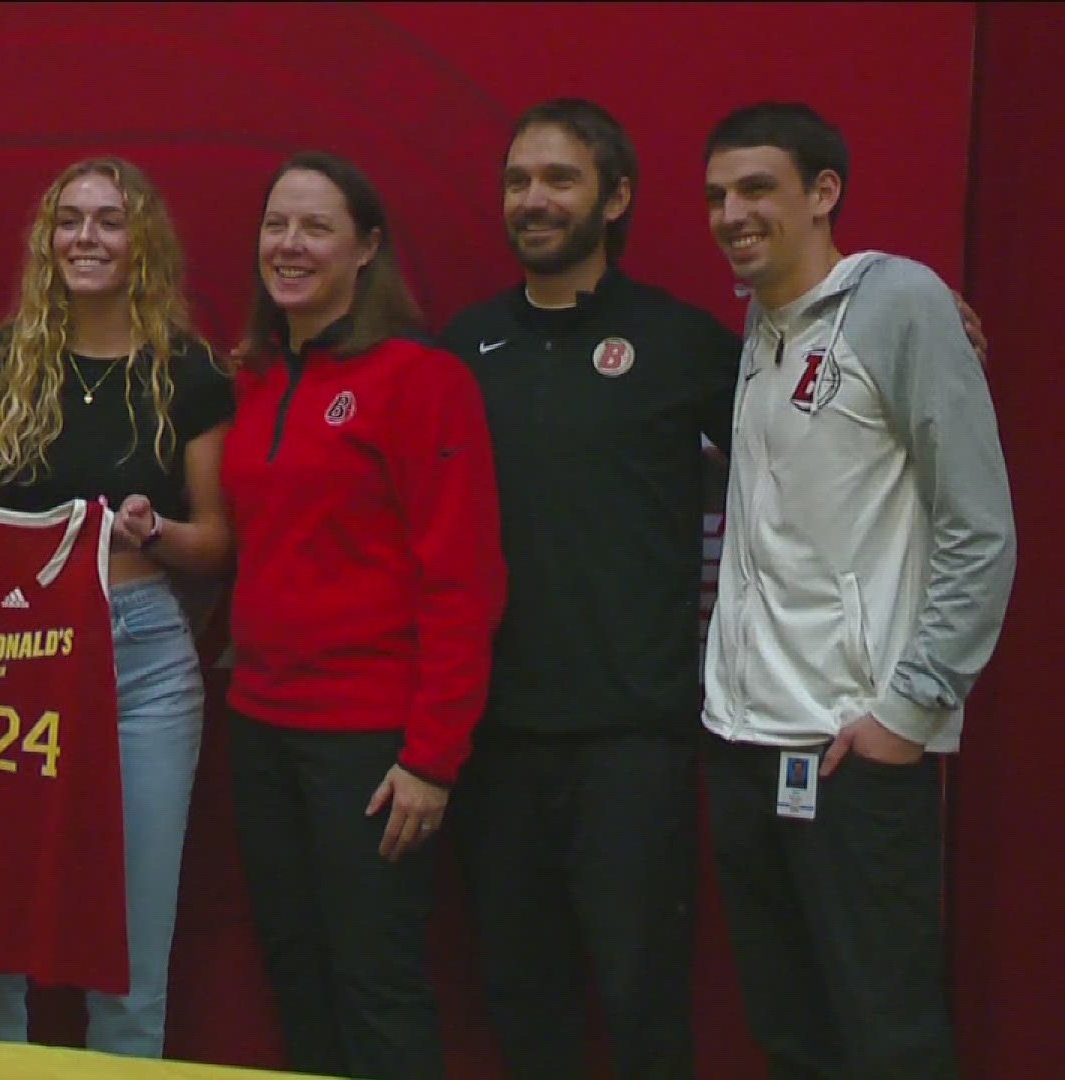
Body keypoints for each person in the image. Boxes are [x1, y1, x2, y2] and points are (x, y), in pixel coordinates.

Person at [700, 102, 1015, 1079]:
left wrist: (907, 712)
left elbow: (981, 529)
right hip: (745, 743)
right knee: (792, 1034)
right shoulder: (760, 325)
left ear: (823, 193)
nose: (731, 213)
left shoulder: (900, 304)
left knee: (886, 1037)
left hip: (854, 751)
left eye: (758, 188)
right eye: (716, 194)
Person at [0, 155, 232, 1058]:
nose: (88, 237)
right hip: (12, 659)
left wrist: (153, 525)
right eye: (71, 220)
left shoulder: (187, 371)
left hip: (142, 660)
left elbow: (216, 541)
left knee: (129, 947)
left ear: (142, 244)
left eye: (109, 221)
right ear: (47, 241)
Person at [435, 98, 740, 1079]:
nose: (533, 198)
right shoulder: (460, 349)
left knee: (644, 1009)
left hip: (634, 745)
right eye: (519, 179)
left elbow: (811, 443)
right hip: (495, 745)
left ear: (615, 198)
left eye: (559, 179)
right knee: (525, 1014)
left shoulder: (684, 342)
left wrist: (901, 335)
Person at [219, 151, 506, 1080]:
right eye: (275, 225)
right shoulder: (255, 379)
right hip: (261, 728)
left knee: (374, 983)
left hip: (370, 744)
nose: (288, 246)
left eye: (315, 228)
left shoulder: (419, 379)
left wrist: (431, 757)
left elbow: (462, 577)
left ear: (367, 248)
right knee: (295, 973)